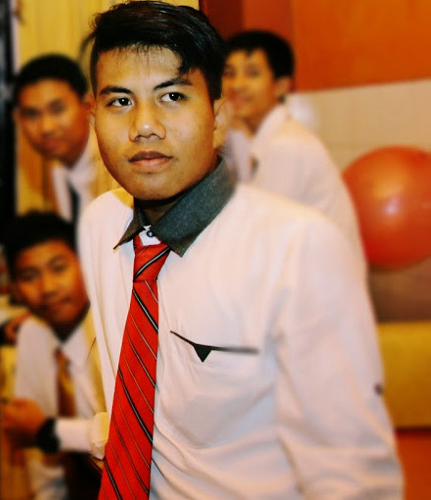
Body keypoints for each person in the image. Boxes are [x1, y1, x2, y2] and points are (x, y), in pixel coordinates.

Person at [79, 1, 402, 498]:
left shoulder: (293, 250)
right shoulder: (102, 225)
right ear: (94, 116)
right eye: (120, 101)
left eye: (171, 96)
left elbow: (351, 470)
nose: (144, 125)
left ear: (218, 115)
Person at [222, 30, 365, 262]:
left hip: (321, 274)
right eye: (229, 73)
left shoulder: (287, 145)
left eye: (252, 73)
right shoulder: (254, 137)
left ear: (281, 85)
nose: (236, 85)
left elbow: (262, 232)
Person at [0, 212, 108, 500]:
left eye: (58, 268)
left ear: (85, 265)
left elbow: (138, 436)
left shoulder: (114, 329)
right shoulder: (32, 335)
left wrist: (49, 431)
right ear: (15, 290)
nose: (47, 288)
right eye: (29, 276)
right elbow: (43, 462)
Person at [13, 54, 118, 222]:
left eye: (58, 110)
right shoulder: (58, 167)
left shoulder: (115, 168)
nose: (46, 128)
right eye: (32, 114)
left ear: (88, 106)